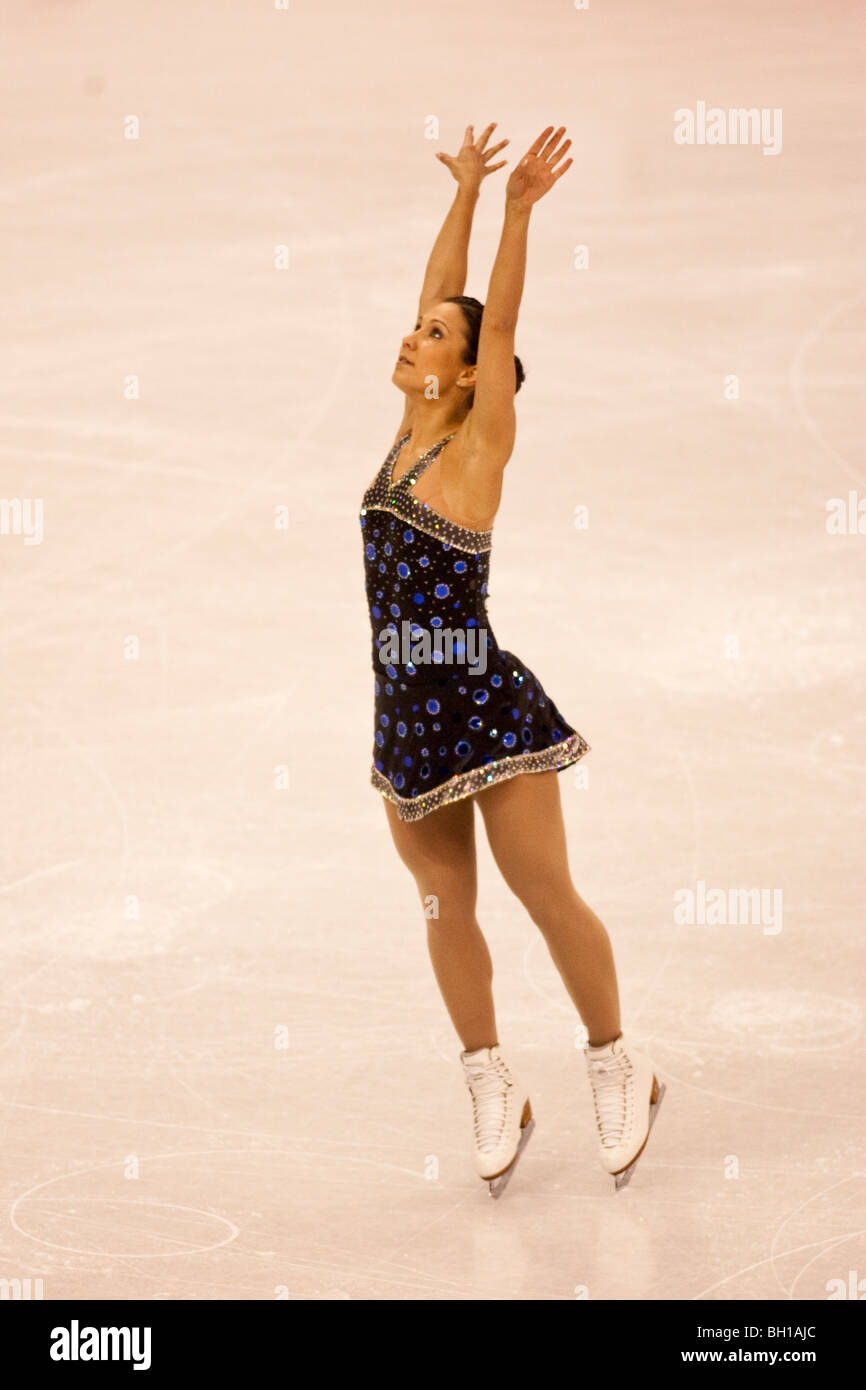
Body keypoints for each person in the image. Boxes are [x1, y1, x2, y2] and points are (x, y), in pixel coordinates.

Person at [359, 124, 665, 1196]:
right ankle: (490, 1076)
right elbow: (441, 287)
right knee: (445, 907)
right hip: (405, 720)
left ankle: (616, 1055)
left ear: (473, 373)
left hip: (486, 710)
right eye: (414, 328)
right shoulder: (406, 425)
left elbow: (497, 310)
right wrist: (464, 195)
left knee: (542, 891)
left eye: (433, 336)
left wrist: (518, 214)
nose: (412, 338)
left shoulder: (473, 443)